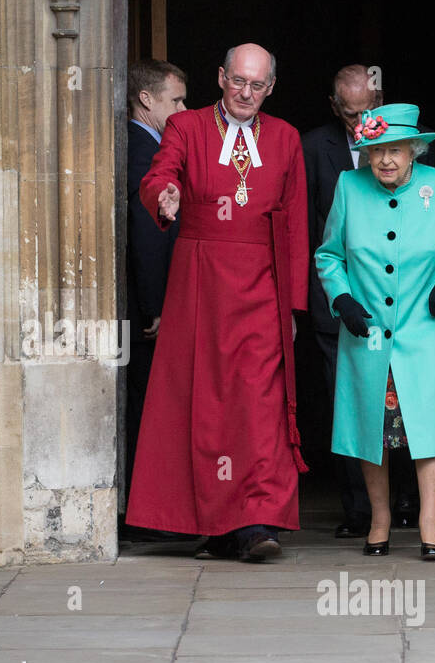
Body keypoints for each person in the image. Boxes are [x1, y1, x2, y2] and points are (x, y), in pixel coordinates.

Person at [126, 43, 310, 563]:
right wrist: (163, 195)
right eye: (238, 82)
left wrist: (294, 306)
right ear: (221, 78)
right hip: (201, 281)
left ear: (270, 88)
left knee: (259, 405)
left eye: (257, 85)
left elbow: (295, 223)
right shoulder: (186, 128)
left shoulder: (287, 138)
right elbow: (160, 172)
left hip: (263, 285)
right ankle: (214, 521)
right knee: (205, 403)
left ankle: (254, 521)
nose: (246, 93)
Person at [315, 103, 435, 560]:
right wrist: (341, 298)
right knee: (371, 426)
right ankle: (379, 519)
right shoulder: (349, 186)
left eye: (395, 151)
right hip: (367, 333)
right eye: (375, 150)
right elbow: (329, 255)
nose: (384, 161)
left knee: (425, 425)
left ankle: (429, 520)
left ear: (414, 152)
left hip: (424, 332)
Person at [303, 65, 424, 538]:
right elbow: (314, 234)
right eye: (351, 114)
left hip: (406, 308)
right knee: (351, 408)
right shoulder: (313, 147)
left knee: (407, 404)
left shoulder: (412, 147)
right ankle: (359, 511)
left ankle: (409, 500)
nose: (360, 124)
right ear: (336, 108)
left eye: (368, 111)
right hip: (340, 306)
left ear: (381, 100)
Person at [123, 59, 187, 534]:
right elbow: (148, 237)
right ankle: (144, 517)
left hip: (145, 307)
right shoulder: (144, 153)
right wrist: (157, 307)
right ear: (147, 100)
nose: (183, 110)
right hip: (147, 312)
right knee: (147, 408)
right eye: (176, 101)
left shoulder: (149, 146)